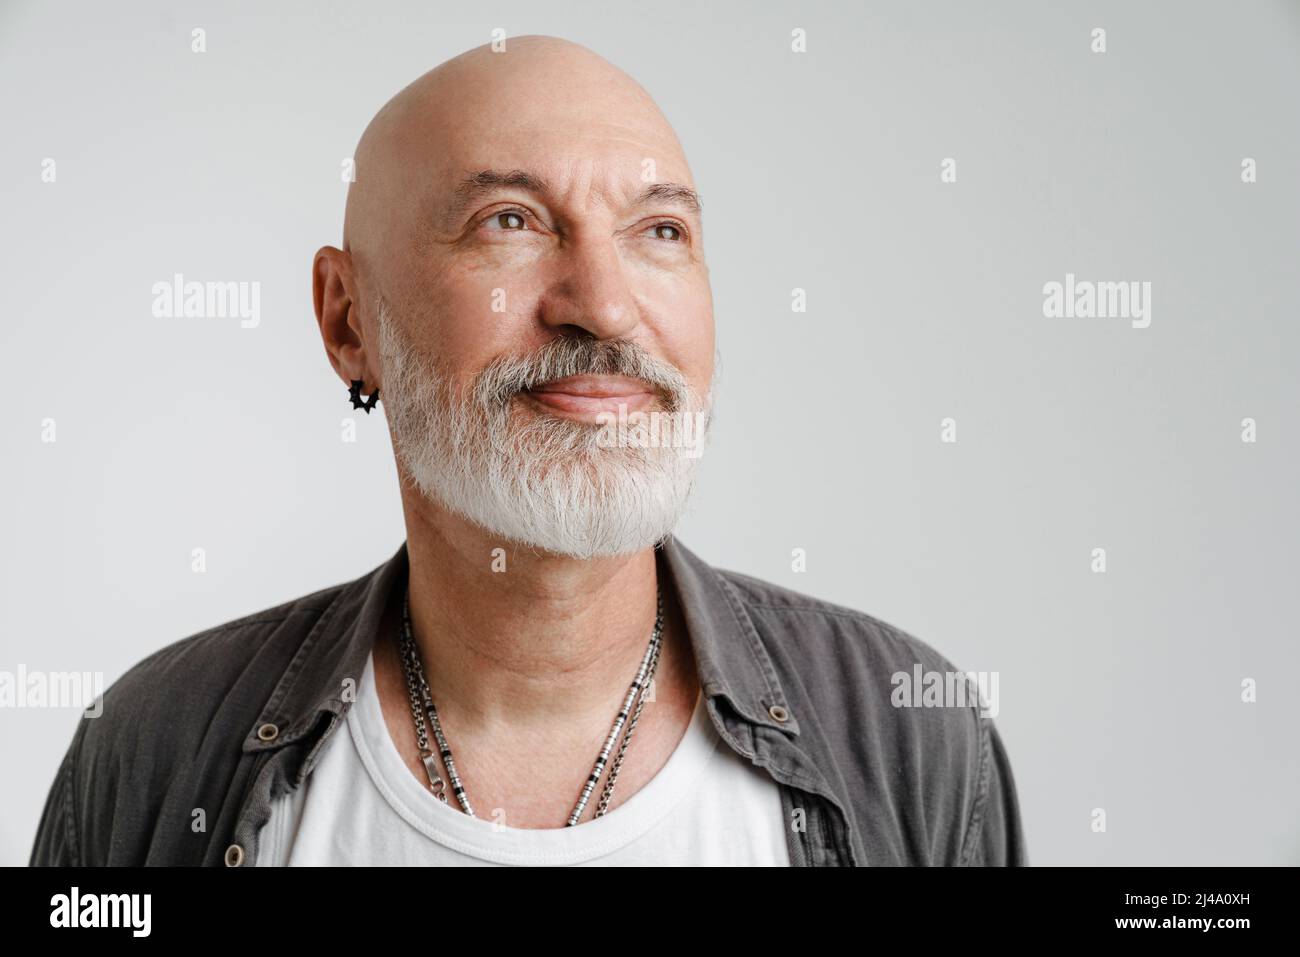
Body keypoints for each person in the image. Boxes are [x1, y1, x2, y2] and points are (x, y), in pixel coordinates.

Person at [30, 34, 1026, 867]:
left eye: (660, 231)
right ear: (347, 321)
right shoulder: (155, 751)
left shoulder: (906, 740)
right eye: (509, 221)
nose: (602, 305)